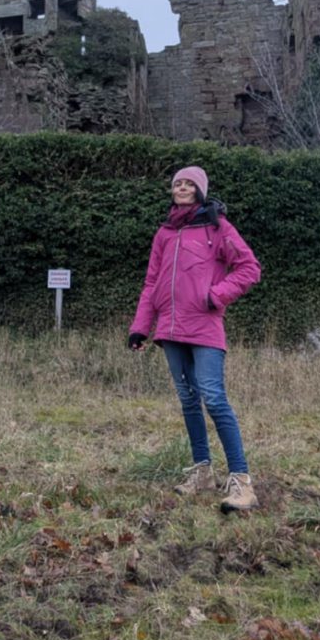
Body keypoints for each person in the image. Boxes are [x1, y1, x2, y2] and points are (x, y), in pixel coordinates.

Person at [128, 166, 262, 512]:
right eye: (178, 184)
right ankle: (202, 473)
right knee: (189, 401)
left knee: (214, 399)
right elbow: (152, 282)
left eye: (189, 184)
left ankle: (242, 482)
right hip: (170, 330)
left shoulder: (218, 227)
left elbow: (249, 268)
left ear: (200, 191)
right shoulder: (164, 233)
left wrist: (214, 296)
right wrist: (141, 327)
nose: (183, 188)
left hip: (204, 327)